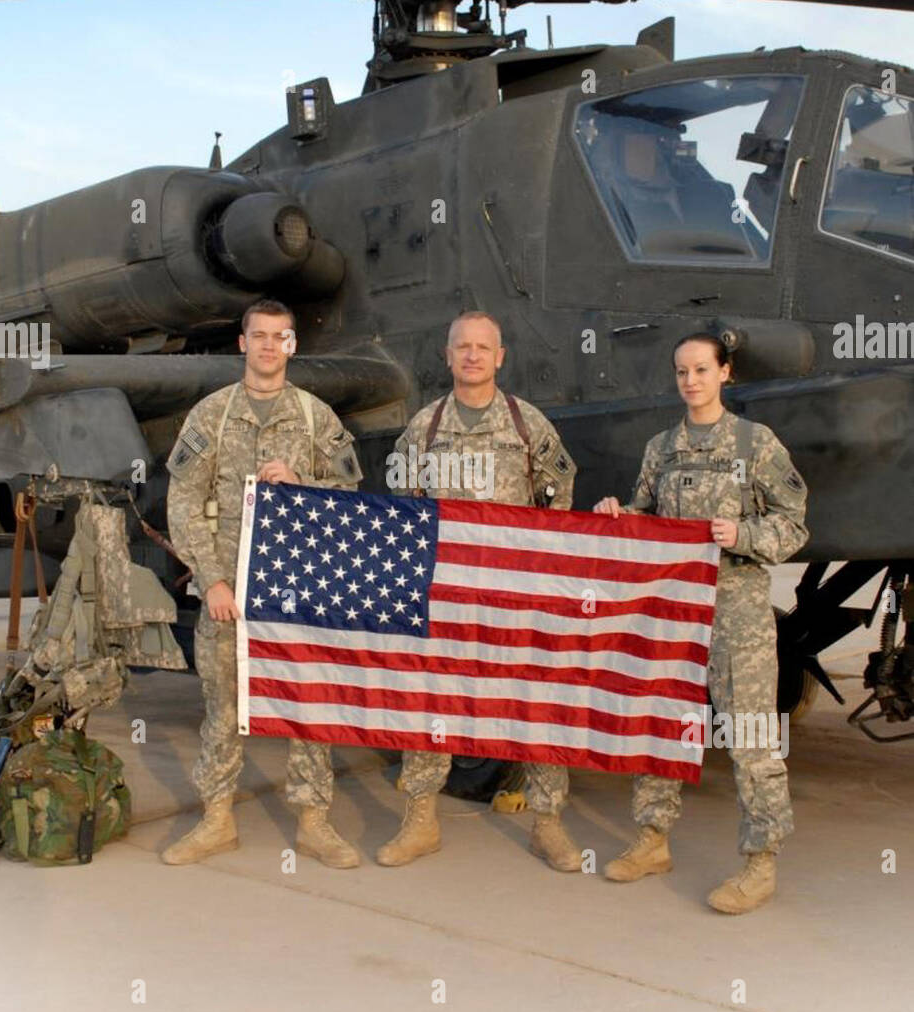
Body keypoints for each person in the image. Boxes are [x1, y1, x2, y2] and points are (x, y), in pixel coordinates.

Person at [594, 333, 809, 913]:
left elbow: (794, 524)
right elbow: (645, 517)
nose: (691, 380)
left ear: (725, 373)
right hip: (672, 612)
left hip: (736, 613)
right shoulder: (661, 449)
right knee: (660, 723)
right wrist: (619, 516)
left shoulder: (754, 443)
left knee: (751, 738)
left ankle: (760, 862)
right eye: (682, 371)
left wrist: (745, 535)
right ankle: (652, 838)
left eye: (702, 369)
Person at [376, 310, 582, 871]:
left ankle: (548, 824)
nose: (472, 355)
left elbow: (558, 494)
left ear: (500, 356)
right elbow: (403, 506)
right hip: (445, 593)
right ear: (447, 356)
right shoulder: (425, 427)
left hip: (512, 594)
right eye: (461, 346)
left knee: (537, 705)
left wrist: (538, 565)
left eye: (482, 347)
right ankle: (420, 820)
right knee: (431, 704)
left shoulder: (526, 424)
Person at [162, 298, 364, 869]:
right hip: (229, 594)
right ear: (242, 343)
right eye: (260, 335)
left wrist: (303, 482)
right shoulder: (211, 416)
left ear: (293, 346)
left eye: (281, 336)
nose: (270, 345)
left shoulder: (314, 417)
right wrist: (213, 580)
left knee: (308, 702)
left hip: (298, 589)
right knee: (222, 708)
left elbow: (350, 498)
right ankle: (216, 819)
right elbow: (181, 501)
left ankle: (314, 822)